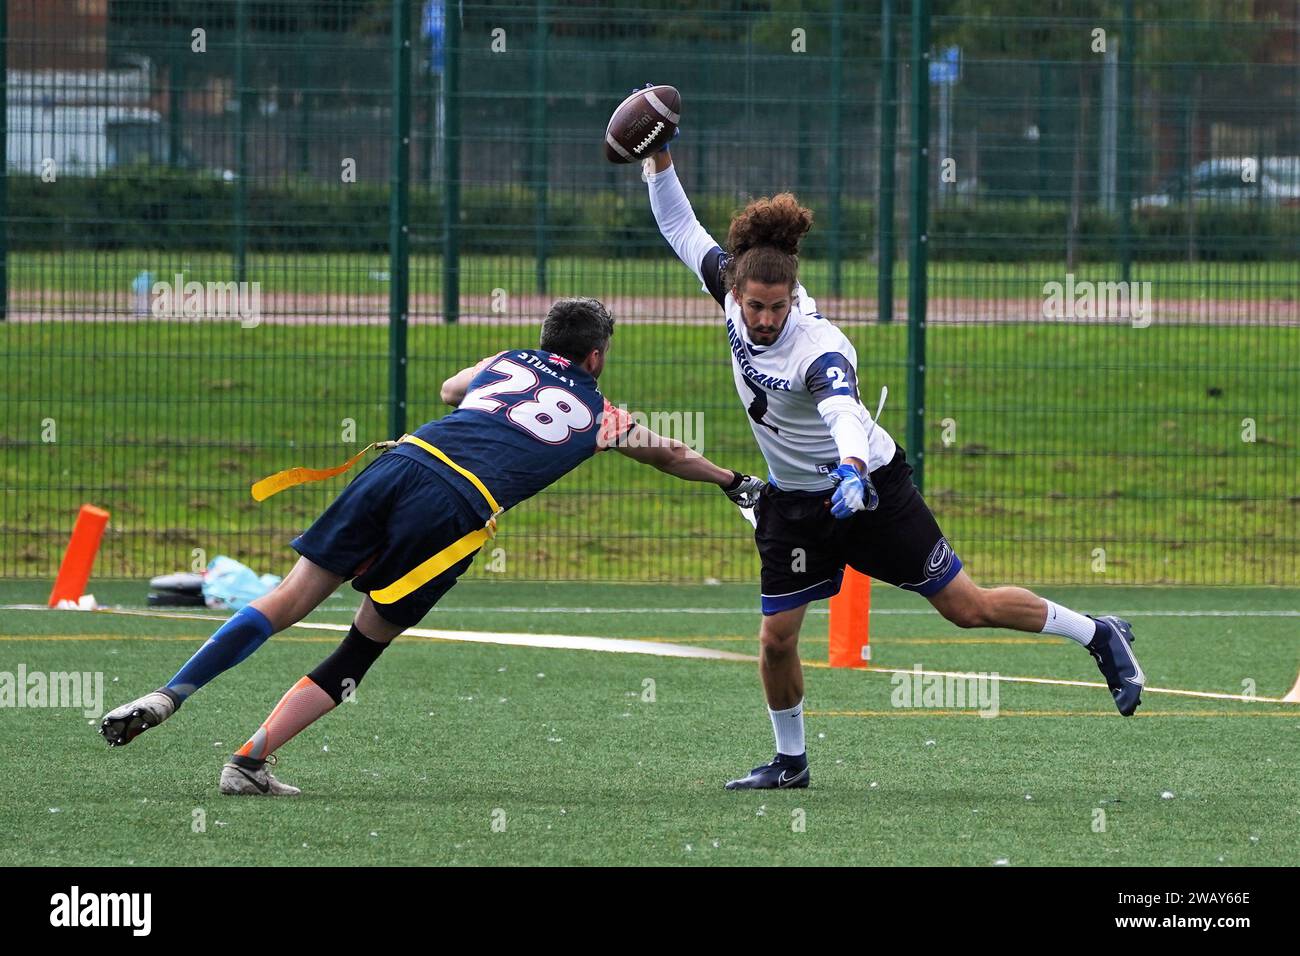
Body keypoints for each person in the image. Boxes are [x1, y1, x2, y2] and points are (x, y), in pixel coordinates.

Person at [638, 128, 1145, 791]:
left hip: (869, 486)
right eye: (754, 306)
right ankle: (791, 762)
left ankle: (1097, 634)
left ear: (793, 299)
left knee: (967, 607)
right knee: (776, 639)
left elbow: (843, 410)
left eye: (776, 308)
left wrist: (851, 468)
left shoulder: (818, 349)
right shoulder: (731, 292)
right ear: (736, 293)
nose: (763, 319)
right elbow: (679, 224)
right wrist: (656, 152)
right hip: (794, 504)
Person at [100, 297, 765, 795]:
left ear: (543, 342)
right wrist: (732, 481)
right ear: (596, 357)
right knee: (362, 644)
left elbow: (452, 390)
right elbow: (669, 454)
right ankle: (247, 761)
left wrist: (493, 374)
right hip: (455, 504)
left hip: (403, 460)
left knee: (288, 596)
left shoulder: (506, 363)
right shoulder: (601, 414)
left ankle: (171, 691)